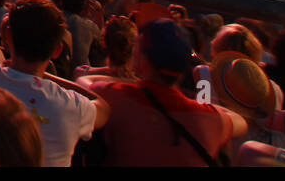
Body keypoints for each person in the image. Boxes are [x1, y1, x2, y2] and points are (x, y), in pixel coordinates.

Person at [0, 0, 109, 167]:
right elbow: (102, 107)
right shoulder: (72, 106)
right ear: (57, 51)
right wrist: (44, 76)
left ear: (8, 36)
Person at [91, 20, 246, 167]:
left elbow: (86, 82)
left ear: (141, 59)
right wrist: (203, 107)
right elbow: (240, 123)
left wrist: (127, 81)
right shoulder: (212, 119)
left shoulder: (114, 96)